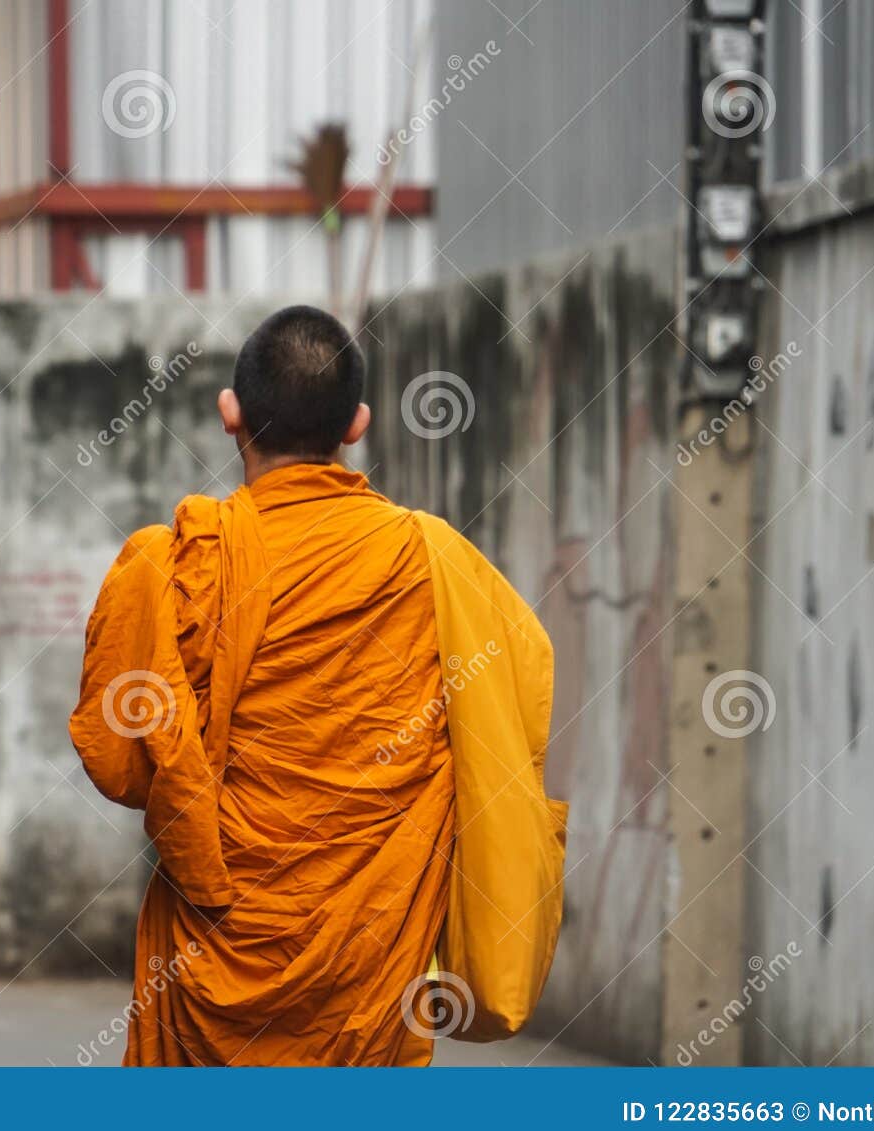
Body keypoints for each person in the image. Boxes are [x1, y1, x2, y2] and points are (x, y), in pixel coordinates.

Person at [71, 305, 566, 1066]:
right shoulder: (433, 563)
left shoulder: (173, 563)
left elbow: (120, 763)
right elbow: (513, 707)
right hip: (367, 955)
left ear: (229, 411)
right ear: (357, 423)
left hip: (210, 950)